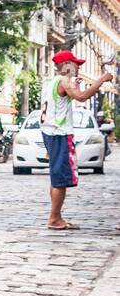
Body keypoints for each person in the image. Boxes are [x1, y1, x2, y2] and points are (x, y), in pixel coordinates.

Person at [41, 49, 113, 230]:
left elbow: (69, 99)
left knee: (57, 177)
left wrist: (78, 85)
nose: (78, 67)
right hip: (59, 133)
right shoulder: (64, 81)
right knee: (61, 178)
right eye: (75, 64)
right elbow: (81, 97)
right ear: (65, 66)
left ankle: (56, 216)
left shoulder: (52, 82)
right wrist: (101, 80)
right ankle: (54, 218)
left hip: (50, 132)